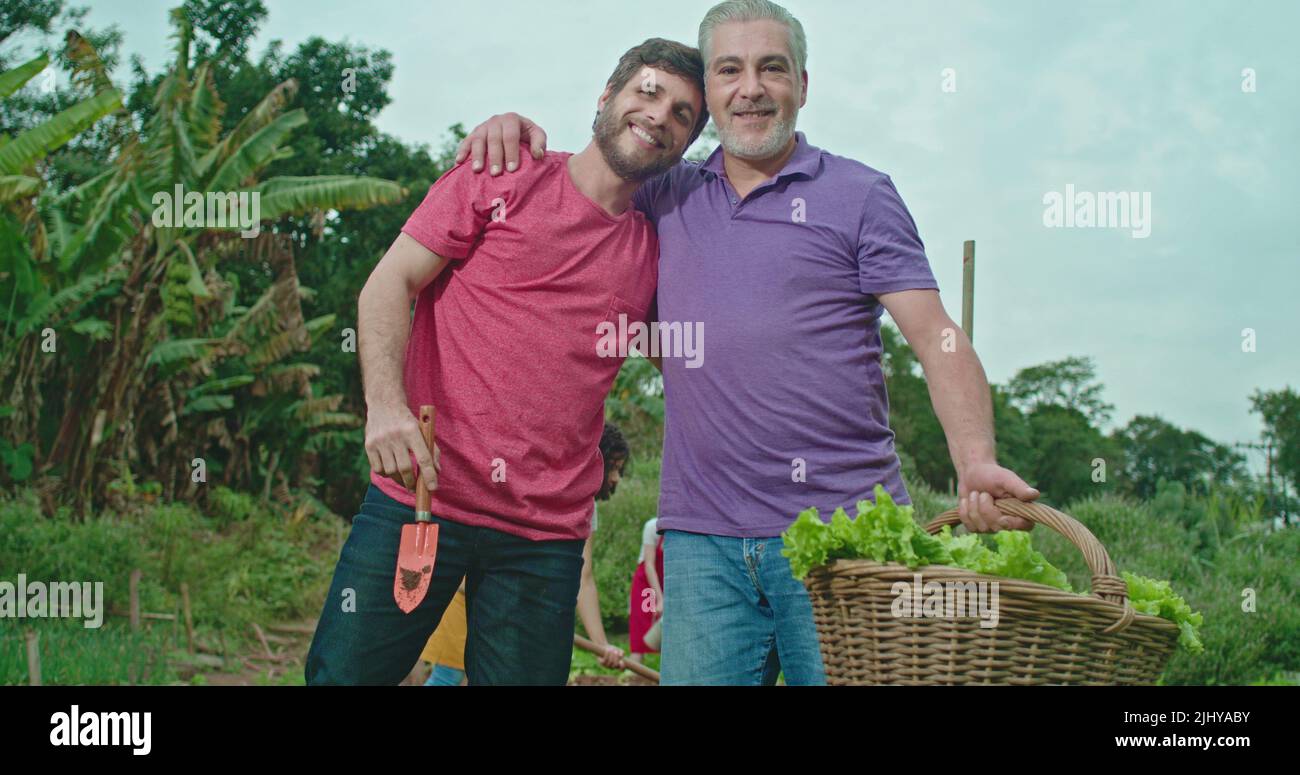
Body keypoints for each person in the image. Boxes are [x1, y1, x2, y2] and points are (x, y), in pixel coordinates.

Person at [456, 0, 1041, 685]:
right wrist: (512, 131)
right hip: (702, 545)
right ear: (708, 91)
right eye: (729, 70)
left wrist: (975, 459)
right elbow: (590, 173)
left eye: (772, 68)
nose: (751, 87)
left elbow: (935, 334)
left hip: (841, 540)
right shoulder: (665, 192)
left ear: (802, 84)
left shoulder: (860, 194)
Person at [304, 38, 709, 685]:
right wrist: (385, 405)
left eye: (684, 113)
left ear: (686, 146)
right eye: (649, 91)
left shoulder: (659, 249)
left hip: (542, 538)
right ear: (606, 97)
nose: (661, 114)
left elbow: (694, 365)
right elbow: (389, 282)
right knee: (342, 677)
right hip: (424, 496)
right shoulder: (503, 171)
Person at [420, 422, 632, 682]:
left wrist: (602, 645)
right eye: (614, 467)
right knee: (447, 676)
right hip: (467, 593)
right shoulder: (529, 481)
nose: (616, 478)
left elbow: (583, 578)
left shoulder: (585, 508)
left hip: (513, 605)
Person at [627, 516, 663, 665]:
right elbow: (649, 565)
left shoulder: (683, 530)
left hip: (668, 582)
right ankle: (632, 675)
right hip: (647, 586)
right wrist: (660, 599)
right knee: (640, 632)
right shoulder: (652, 526)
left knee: (669, 634)